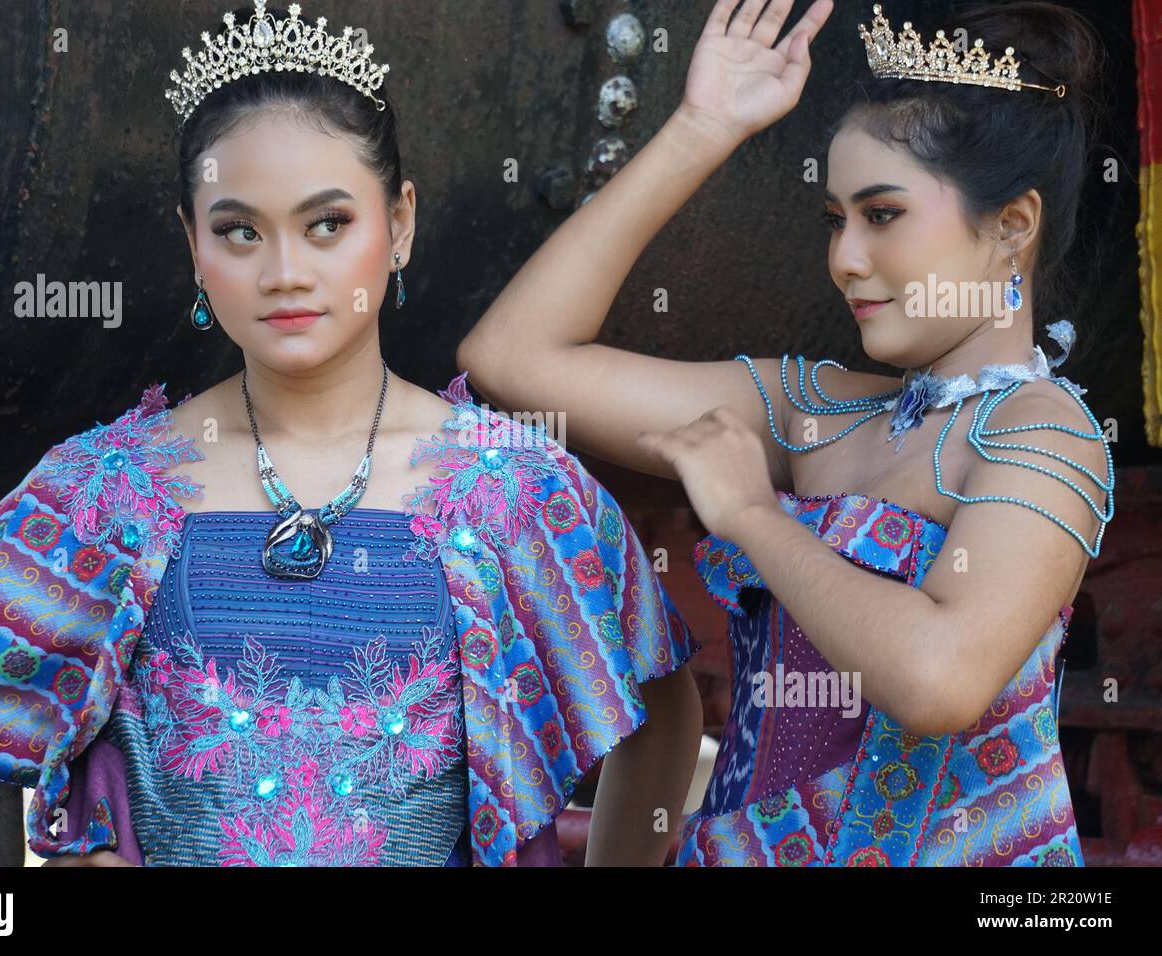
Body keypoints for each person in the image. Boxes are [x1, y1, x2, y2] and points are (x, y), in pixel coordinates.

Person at [0, 0, 703, 867]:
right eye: (239, 232)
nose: (286, 272)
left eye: (327, 224)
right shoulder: (114, 487)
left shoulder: (515, 489)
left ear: (400, 223)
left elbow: (661, 701)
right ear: (193, 246)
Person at [455, 0, 1114, 865]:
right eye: (836, 220)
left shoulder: (1051, 432)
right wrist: (701, 126)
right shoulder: (819, 408)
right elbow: (512, 358)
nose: (844, 258)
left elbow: (940, 679)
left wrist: (752, 519)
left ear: (1012, 226)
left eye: (881, 215)